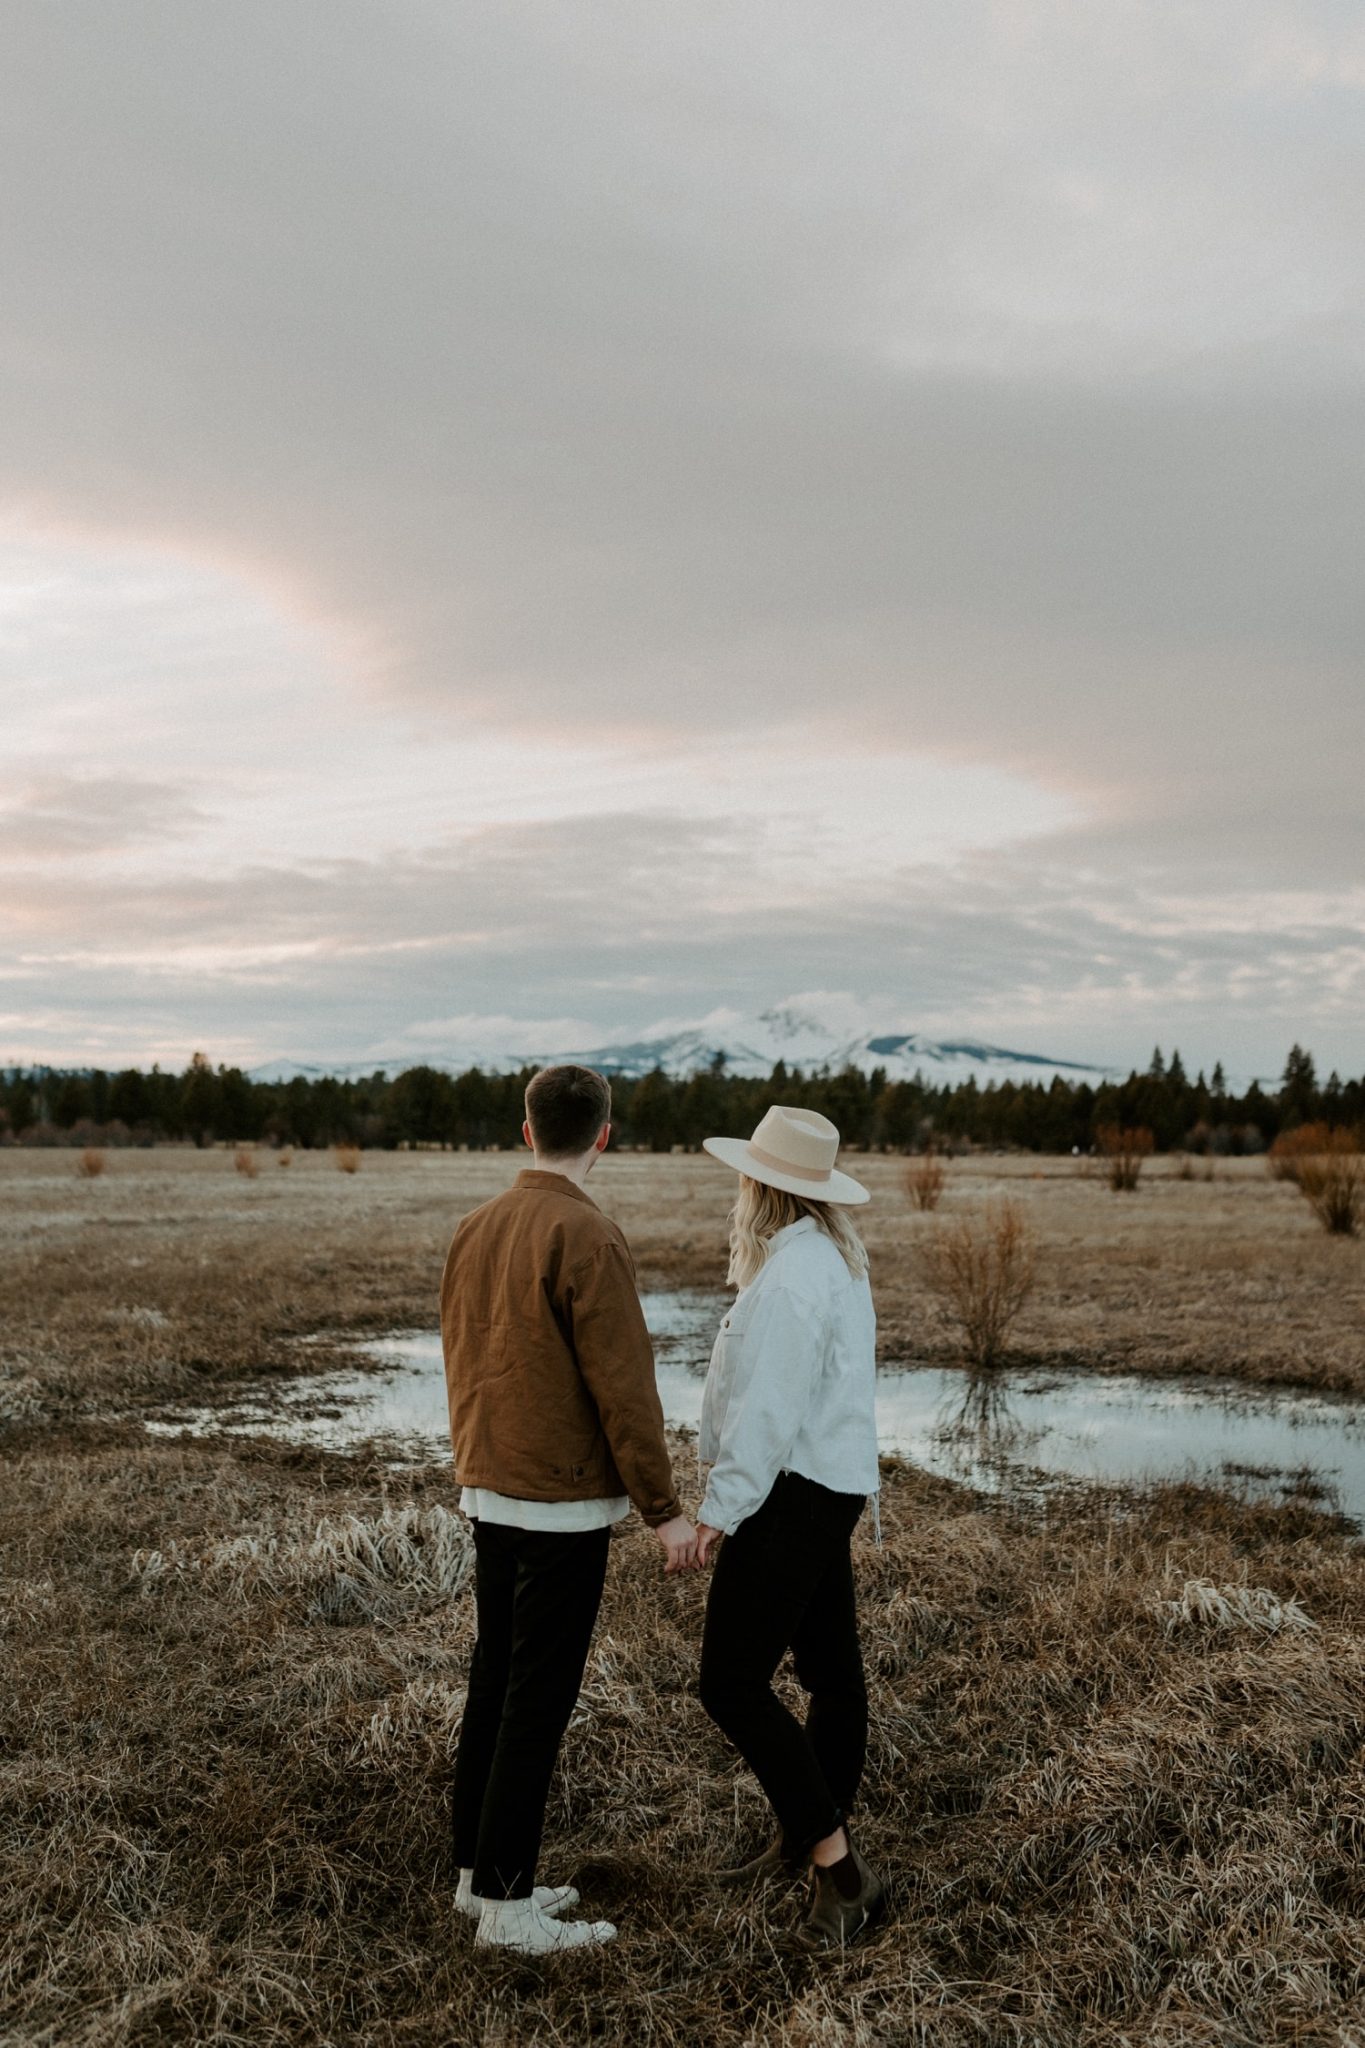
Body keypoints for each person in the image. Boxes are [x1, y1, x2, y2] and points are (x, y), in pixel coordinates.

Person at [441, 1063, 697, 1954]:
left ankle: (478, 1878)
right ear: (604, 1135)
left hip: (490, 1487)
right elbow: (625, 1391)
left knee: (494, 1681)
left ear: (525, 1132)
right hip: (555, 1505)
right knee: (534, 1701)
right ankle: (505, 1907)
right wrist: (663, 1510)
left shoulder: (476, 1227)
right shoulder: (587, 1236)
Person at [694, 1103, 885, 1945]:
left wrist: (717, 1509)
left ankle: (840, 1875)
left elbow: (768, 1410)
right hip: (829, 1485)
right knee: (832, 1674)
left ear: (758, 1187)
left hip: (791, 1490)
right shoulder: (830, 1258)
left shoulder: (794, 1278)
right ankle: (805, 1834)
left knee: (729, 1683)